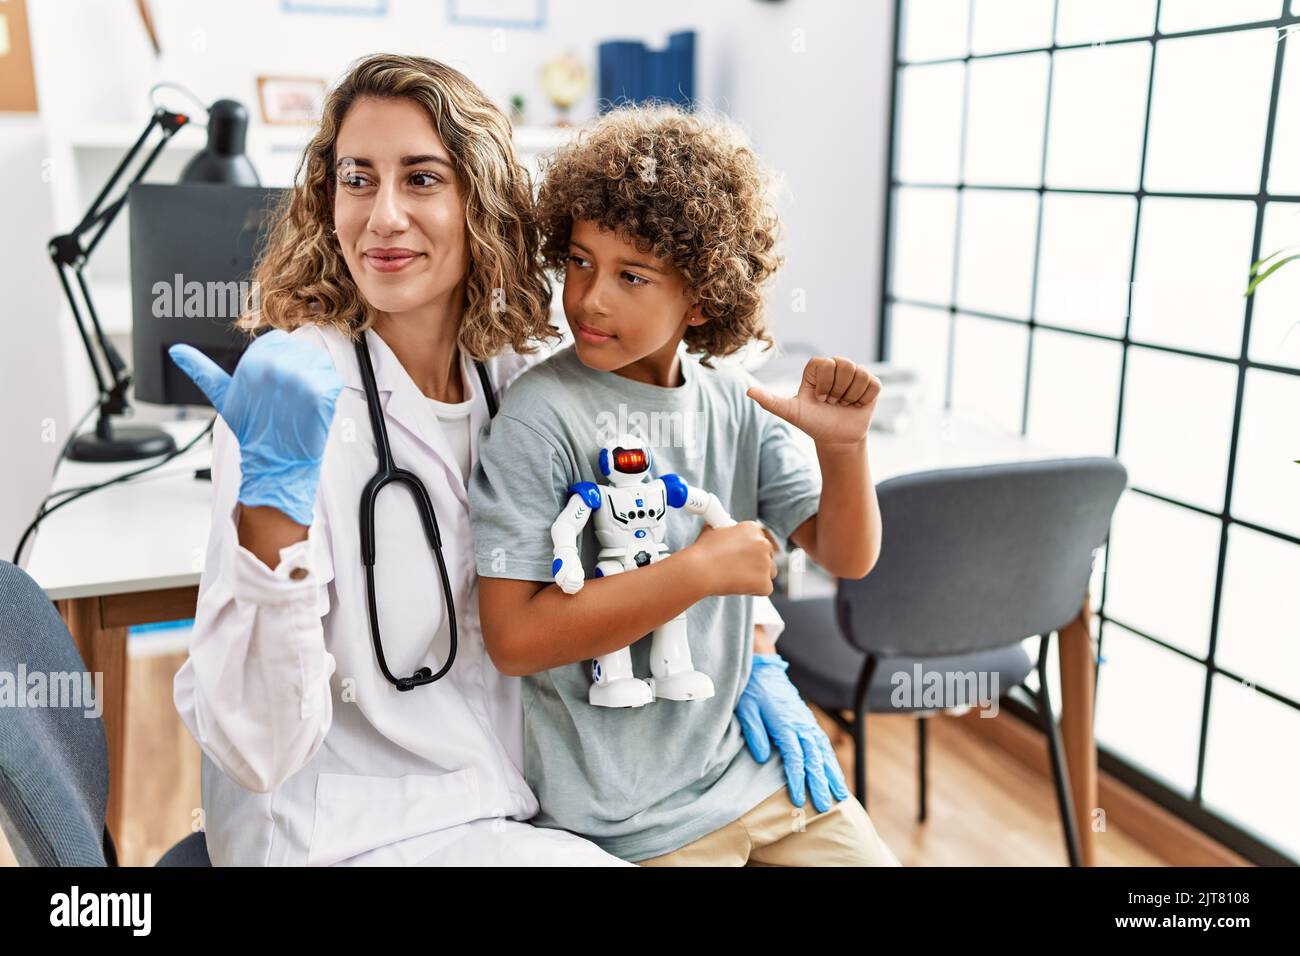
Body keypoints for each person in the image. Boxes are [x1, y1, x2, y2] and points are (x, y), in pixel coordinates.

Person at [167, 54, 846, 866]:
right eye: (358, 179)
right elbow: (258, 752)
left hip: (515, 800)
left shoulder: (522, 373)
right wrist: (270, 513)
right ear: (328, 198)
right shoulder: (293, 398)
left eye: (421, 179)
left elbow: (664, 513)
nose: (383, 216)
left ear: (480, 200)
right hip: (344, 828)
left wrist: (759, 652)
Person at [468, 105, 901, 865]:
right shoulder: (542, 416)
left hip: (750, 771)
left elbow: (847, 554)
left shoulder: (732, 398)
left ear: (700, 297)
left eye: (632, 275)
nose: (590, 298)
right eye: (577, 261)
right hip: (621, 814)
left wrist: (845, 450)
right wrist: (695, 572)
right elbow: (515, 639)